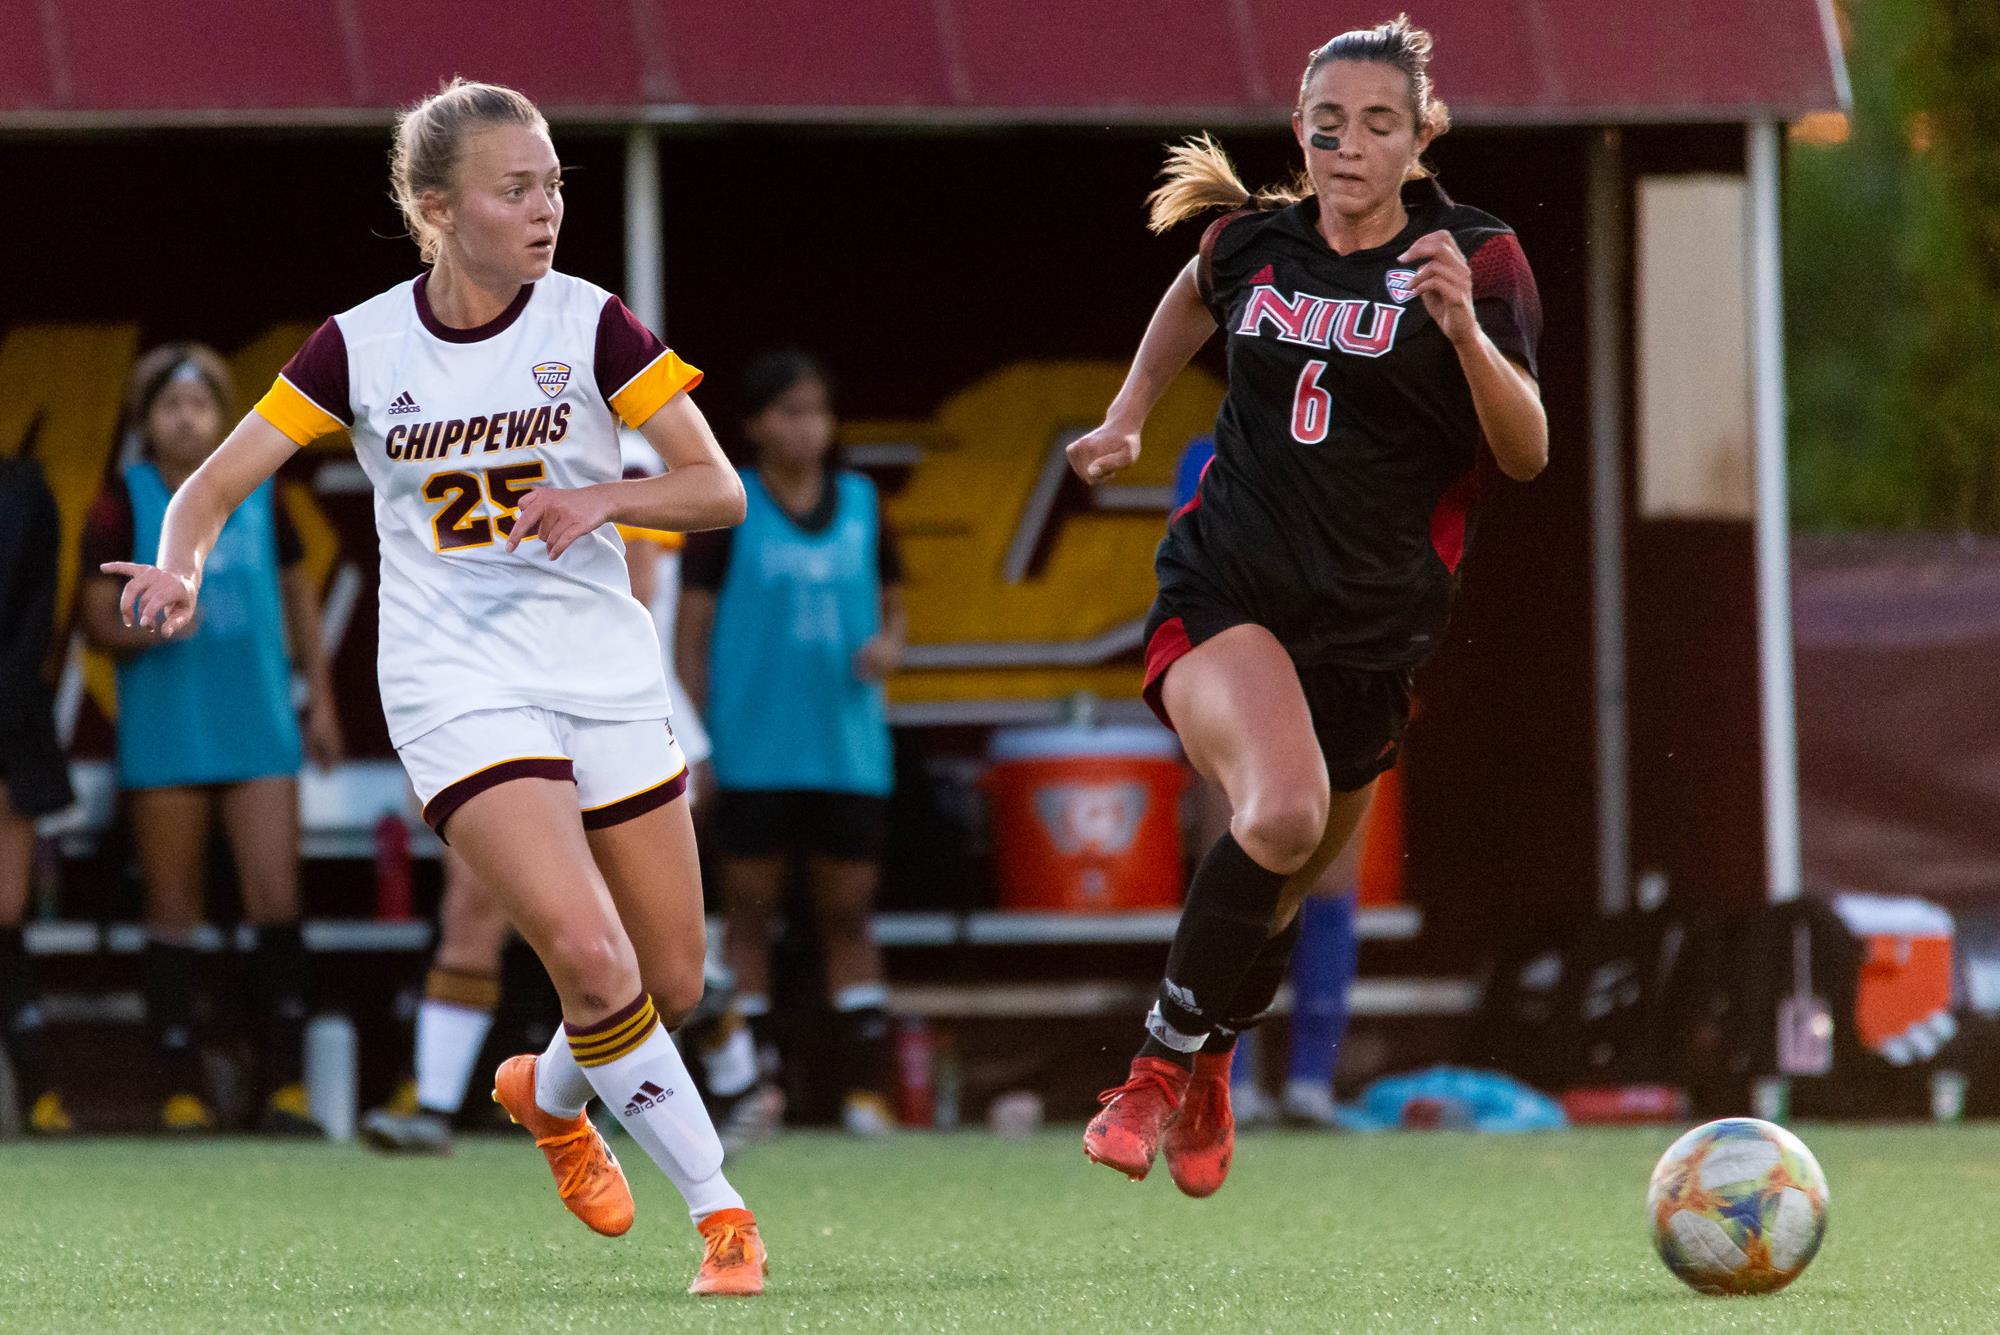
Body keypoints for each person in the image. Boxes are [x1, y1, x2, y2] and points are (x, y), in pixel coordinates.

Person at [103, 79, 767, 1296]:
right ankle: (721, 1214)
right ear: (435, 208)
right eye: (517, 188)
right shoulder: (358, 346)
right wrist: (180, 566)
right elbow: (208, 485)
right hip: (452, 679)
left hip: (600, 668)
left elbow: (718, 490)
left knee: (668, 978)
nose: (547, 207)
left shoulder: (593, 324)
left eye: (555, 182)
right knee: (586, 946)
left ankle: (546, 1094)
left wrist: (606, 498)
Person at [1072, 16, 1545, 1197]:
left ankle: (1213, 1057)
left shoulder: (1474, 259)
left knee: (1286, 880)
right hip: (1225, 587)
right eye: (1326, 125)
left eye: (1376, 123)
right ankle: (1153, 1069)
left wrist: (1460, 337)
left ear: (1420, 136)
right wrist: (1130, 412)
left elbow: (1527, 452)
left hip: (1373, 634)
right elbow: (1191, 291)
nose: (1346, 145)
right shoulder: (1252, 243)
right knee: (1278, 815)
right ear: (1300, 131)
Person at [77, 344, 342, 1135]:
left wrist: (320, 700)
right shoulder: (122, 499)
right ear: (145, 421)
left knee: (276, 900)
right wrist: (149, 625)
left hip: (259, 723)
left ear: (224, 417)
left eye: (200, 404)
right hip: (168, 731)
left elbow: (299, 600)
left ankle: (286, 1085)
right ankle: (181, 1087)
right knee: (173, 908)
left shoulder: (262, 491)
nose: (186, 418)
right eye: (170, 406)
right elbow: (92, 617)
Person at [677, 349, 907, 1138]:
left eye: (819, 411)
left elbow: (894, 602)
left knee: (848, 914)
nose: (809, 428)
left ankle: (866, 1089)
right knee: (748, 914)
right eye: (791, 412)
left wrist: (889, 645)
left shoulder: (863, 503)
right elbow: (691, 631)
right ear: (755, 423)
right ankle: (757, 1082)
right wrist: (694, 740)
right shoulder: (730, 504)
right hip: (752, 749)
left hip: (846, 750)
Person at [1173, 435, 1362, 1130]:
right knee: (1235, 863)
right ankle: (1230, 1075)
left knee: (1330, 875)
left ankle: (1312, 1078)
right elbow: (1190, 574)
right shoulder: (1208, 457)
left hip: (1334, 674)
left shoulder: (1356, 444)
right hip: (1235, 679)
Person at [0, 452, 77, 1135]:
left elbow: (39, 614)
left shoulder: (24, 487)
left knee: (5, 904)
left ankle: (37, 1087)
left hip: (9, 718)